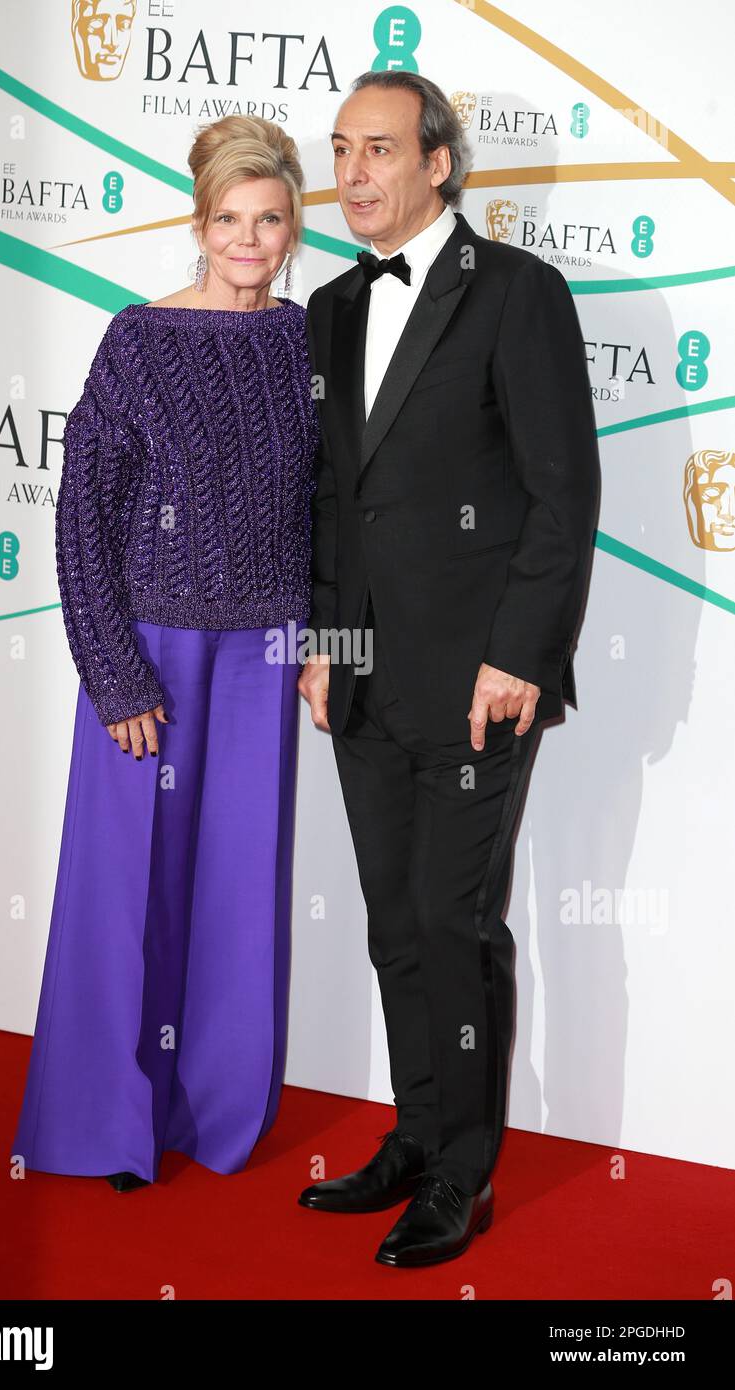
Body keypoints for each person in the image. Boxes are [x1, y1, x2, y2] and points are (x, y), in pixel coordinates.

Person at [297, 71, 601, 1265]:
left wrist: (519, 656)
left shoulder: (516, 293)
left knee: (451, 916)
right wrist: (326, 646)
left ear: (437, 162)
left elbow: (559, 491)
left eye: (376, 149)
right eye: (339, 149)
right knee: (390, 922)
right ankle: (414, 1137)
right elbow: (330, 503)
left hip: (479, 679)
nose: (353, 172)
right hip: (367, 677)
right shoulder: (327, 305)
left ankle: (463, 1177)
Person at [11, 115, 320, 1192]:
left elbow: (330, 509)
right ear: (200, 224)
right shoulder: (138, 340)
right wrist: (113, 670)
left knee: (239, 892)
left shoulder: (306, 341)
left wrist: (322, 645)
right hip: (149, 647)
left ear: (291, 227)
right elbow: (79, 517)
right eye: (229, 218)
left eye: (268, 218)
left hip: (265, 653)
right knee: (121, 890)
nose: (249, 237)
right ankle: (104, 1121)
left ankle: (216, 1115)